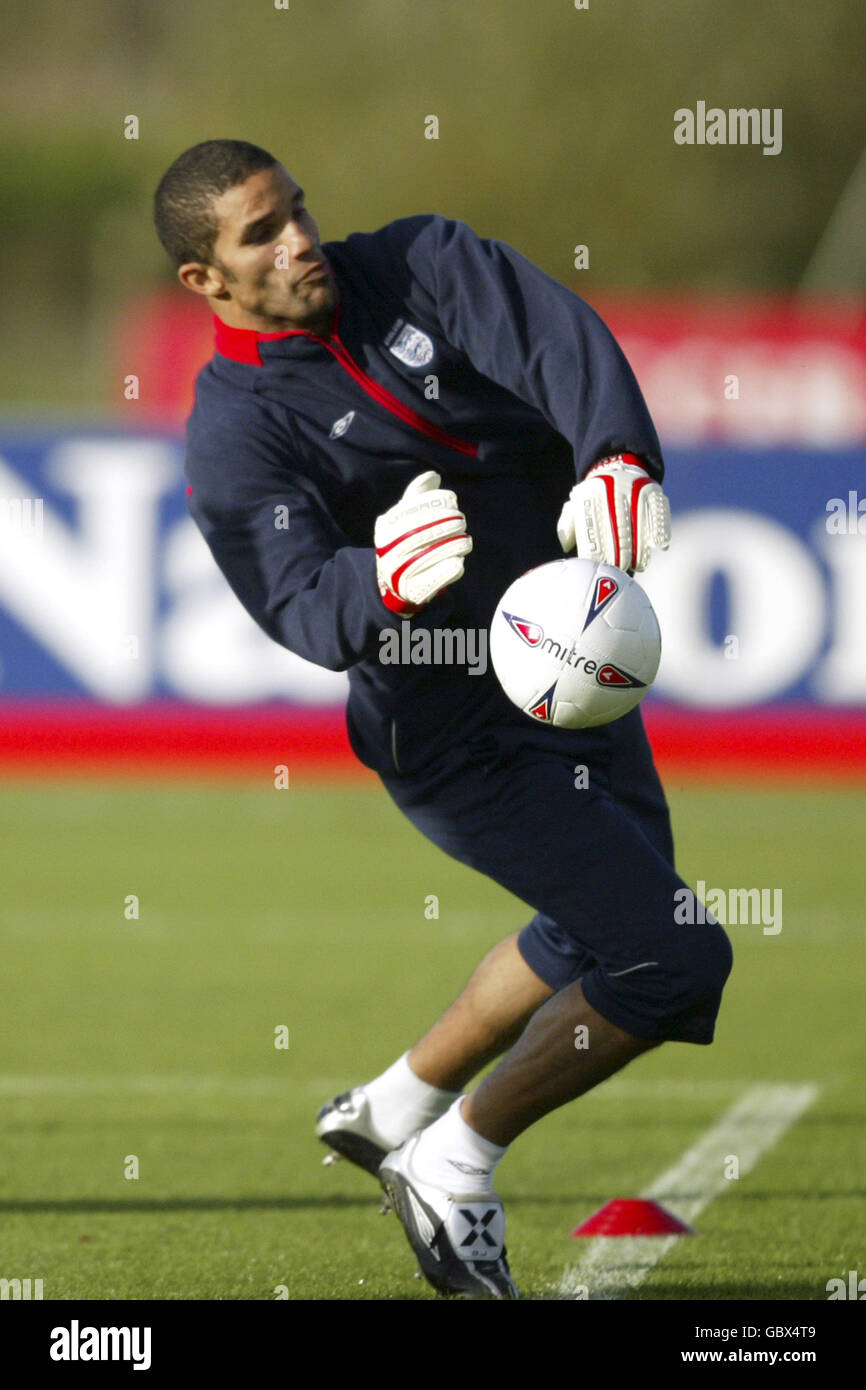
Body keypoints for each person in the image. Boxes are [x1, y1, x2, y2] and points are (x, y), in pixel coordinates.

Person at [154, 138, 733, 1300]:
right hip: (450, 734)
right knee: (671, 958)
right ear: (204, 282)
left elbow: (552, 336)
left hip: (568, 660)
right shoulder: (230, 439)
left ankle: (391, 1107)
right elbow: (298, 603)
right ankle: (451, 1162)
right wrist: (381, 579)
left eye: (297, 210)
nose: (299, 239)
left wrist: (617, 456)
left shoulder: (418, 261)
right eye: (260, 234)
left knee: (591, 928)